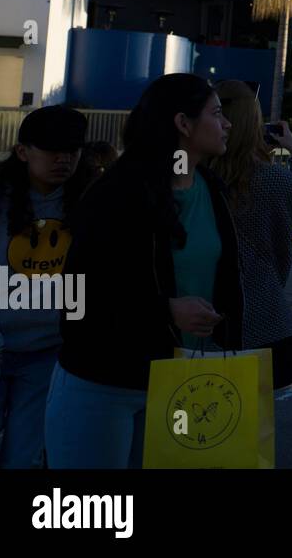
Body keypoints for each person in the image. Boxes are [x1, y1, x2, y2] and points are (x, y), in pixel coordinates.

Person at [45, 74, 243, 468]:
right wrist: (165, 311)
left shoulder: (213, 189)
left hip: (183, 382)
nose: (227, 124)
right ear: (183, 124)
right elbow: (80, 298)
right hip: (104, 385)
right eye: (217, 113)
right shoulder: (117, 193)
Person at [0, 106, 90, 469]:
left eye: (73, 150)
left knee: (24, 456)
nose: (64, 159)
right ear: (23, 151)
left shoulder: (90, 200)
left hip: (50, 349)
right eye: (52, 149)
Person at [209, 80, 292, 389]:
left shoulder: (197, 175)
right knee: (253, 424)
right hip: (263, 317)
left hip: (203, 316)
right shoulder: (272, 179)